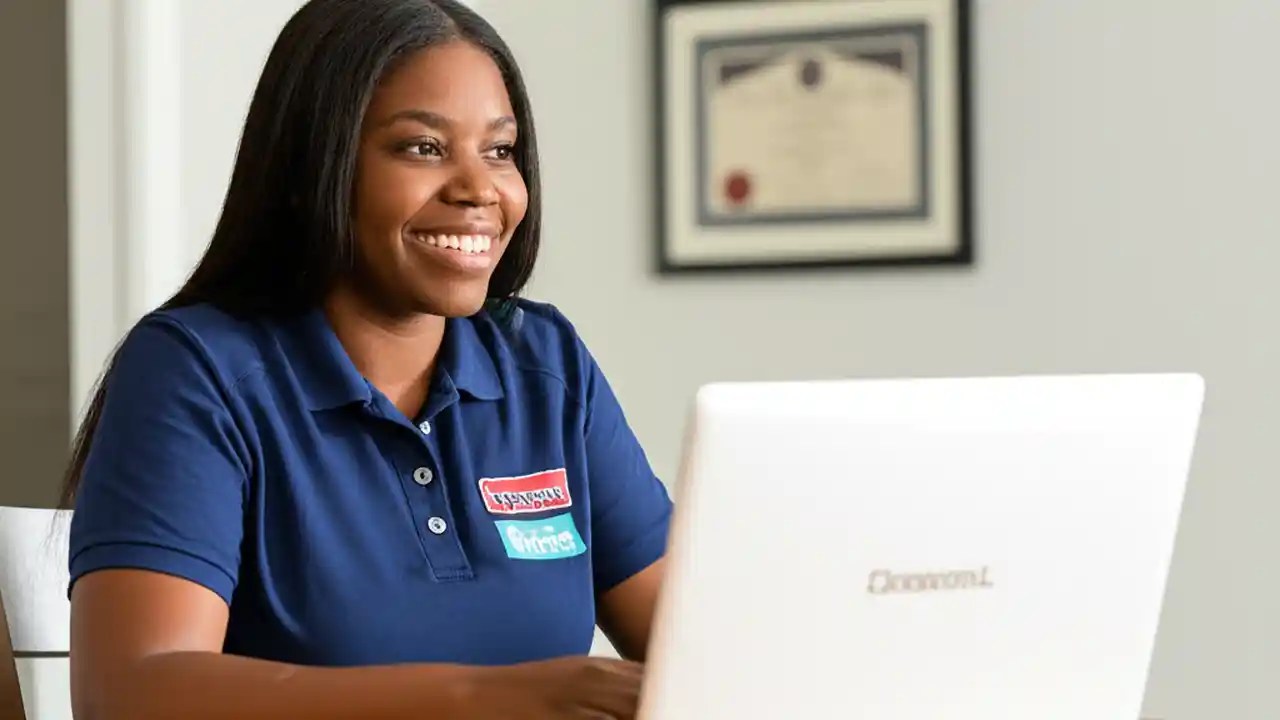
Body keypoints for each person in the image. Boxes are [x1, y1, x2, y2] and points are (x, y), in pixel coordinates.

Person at [62, 1, 672, 718]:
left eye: (500, 151)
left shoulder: (545, 364)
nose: (480, 189)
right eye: (422, 148)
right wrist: (484, 698)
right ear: (312, 164)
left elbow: (707, 643)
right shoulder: (198, 372)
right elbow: (133, 692)